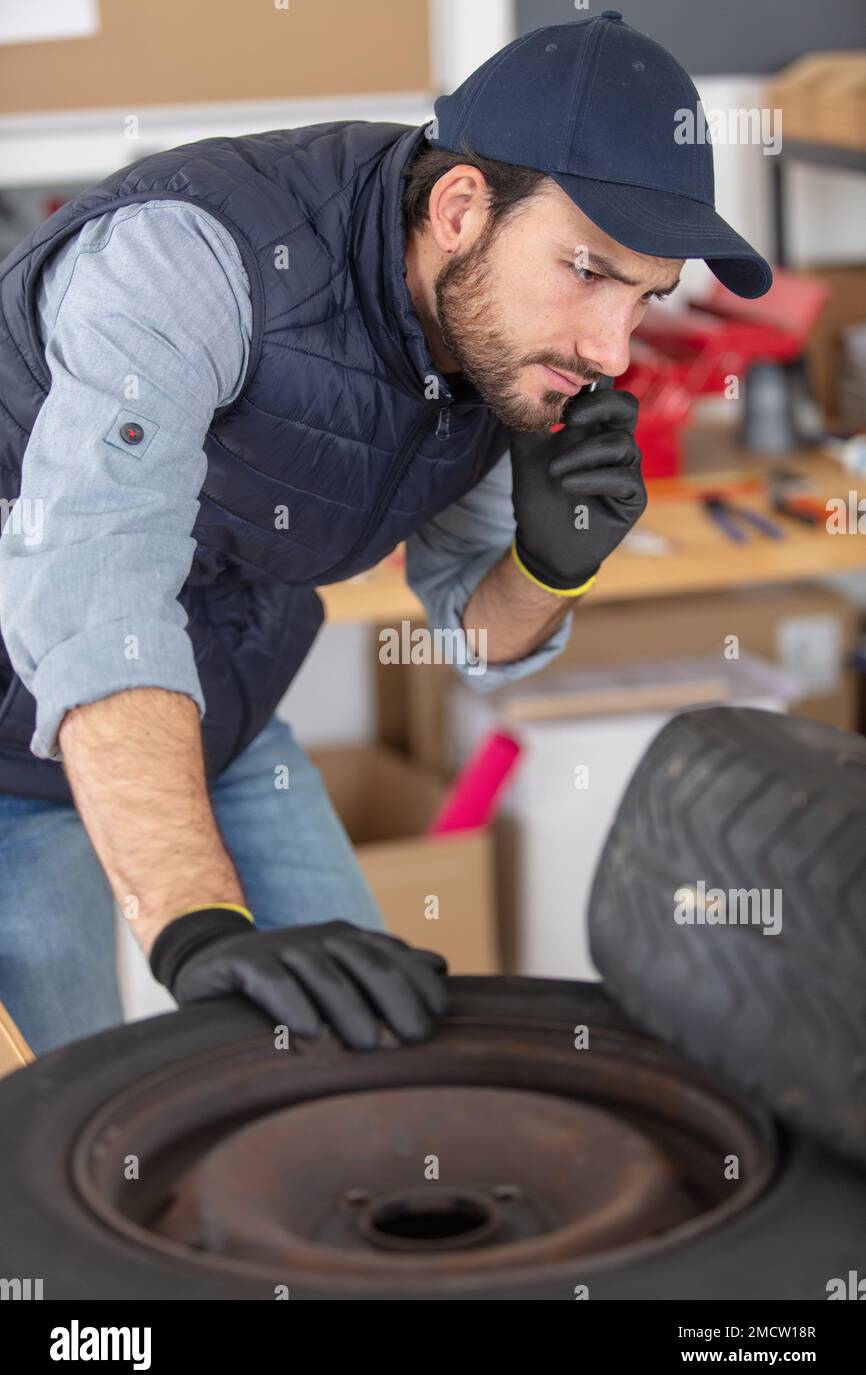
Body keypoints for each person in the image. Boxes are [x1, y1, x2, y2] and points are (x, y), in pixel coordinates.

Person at [0, 12, 770, 1055]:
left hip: (227, 697)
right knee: (66, 1099)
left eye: (644, 298)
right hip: (19, 704)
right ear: (460, 207)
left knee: (379, 1043)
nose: (608, 348)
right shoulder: (189, 258)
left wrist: (551, 565)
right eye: (586, 271)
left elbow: (469, 632)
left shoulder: (497, 338)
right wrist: (193, 924)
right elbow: (97, 588)